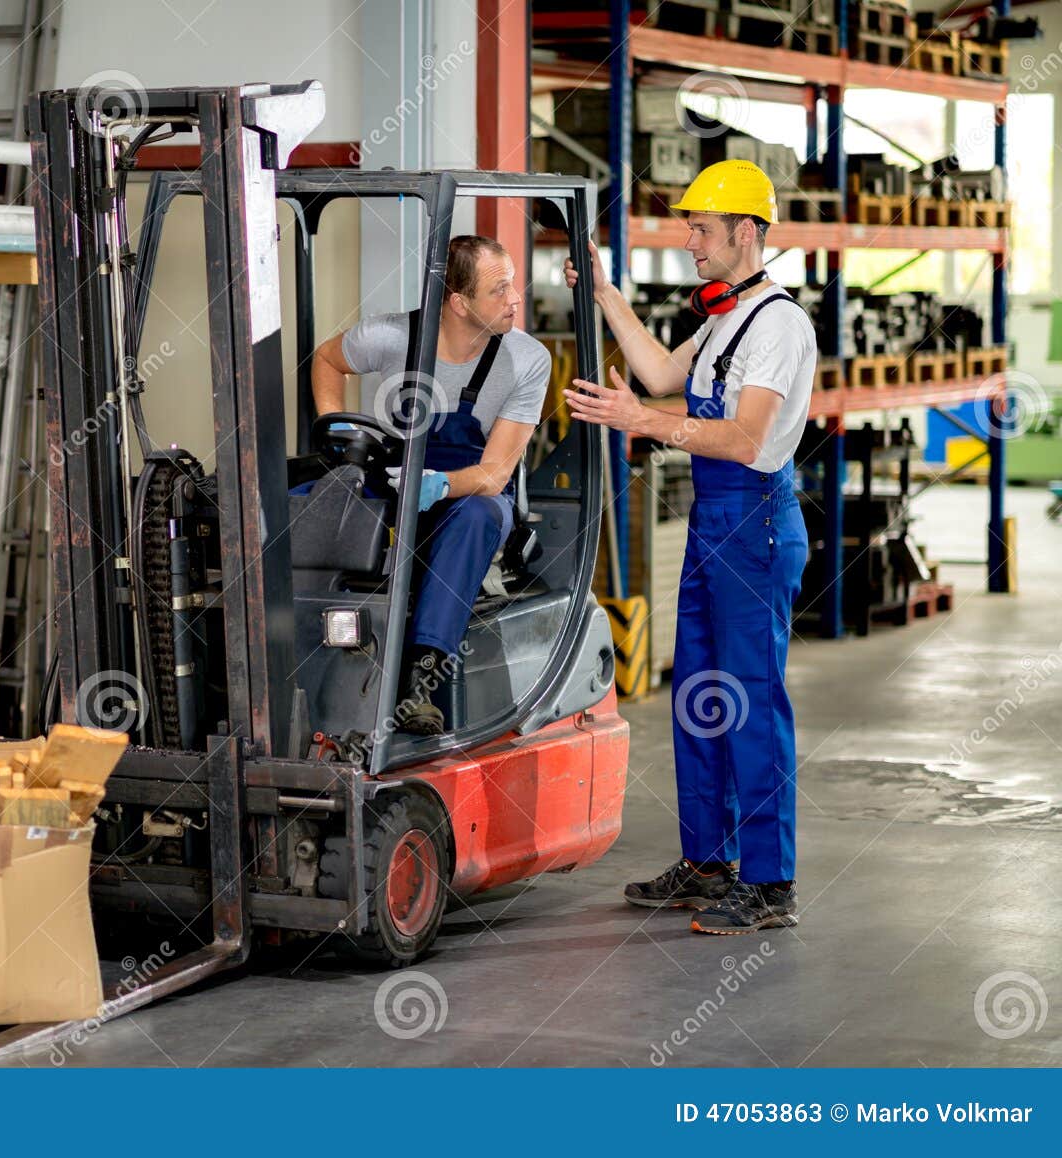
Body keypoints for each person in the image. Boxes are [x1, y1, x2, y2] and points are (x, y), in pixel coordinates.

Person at [561, 160, 814, 934]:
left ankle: (769, 884)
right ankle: (708, 863)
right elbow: (659, 371)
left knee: (751, 700)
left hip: (755, 522)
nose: (690, 243)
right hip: (713, 522)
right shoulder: (723, 319)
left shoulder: (778, 326)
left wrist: (643, 423)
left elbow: (745, 439)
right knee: (700, 696)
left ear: (747, 232)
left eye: (702, 230)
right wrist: (604, 293)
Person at [312, 234, 551, 735]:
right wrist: (336, 426)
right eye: (499, 289)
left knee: (477, 517)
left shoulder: (526, 359)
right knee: (300, 505)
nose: (515, 299)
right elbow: (327, 359)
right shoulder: (390, 336)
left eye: (513, 285)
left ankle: (422, 676)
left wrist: (439, 485)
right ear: (459, 303)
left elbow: (494, 474)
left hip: (473, 489)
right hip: (394, 475)